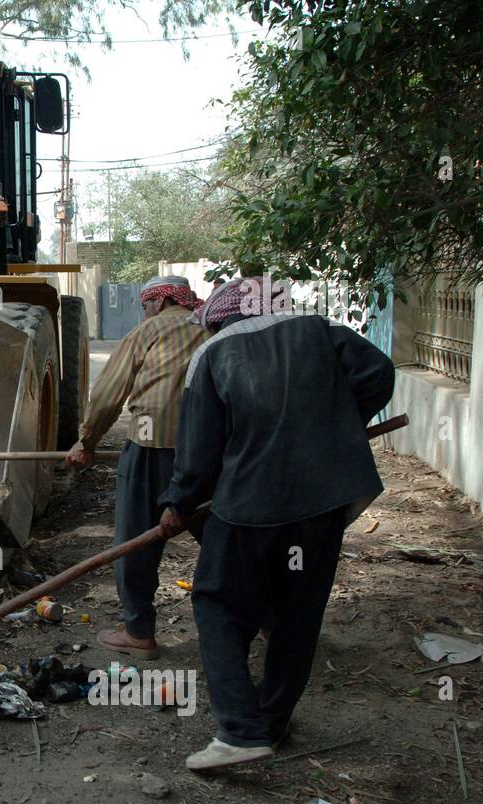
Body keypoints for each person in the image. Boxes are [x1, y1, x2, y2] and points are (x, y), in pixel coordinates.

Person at [157, 277, 395, 771]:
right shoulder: (321, 329)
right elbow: (378, 372)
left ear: (220, 317)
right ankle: (272, 721)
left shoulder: (215, 352)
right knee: (297, 613)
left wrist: (178, 502)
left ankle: (241, 732)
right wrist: (335, 425)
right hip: (324, 502)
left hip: (250, 505)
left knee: (218, 604)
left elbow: (199, 452)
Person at [63, 275, 208, 660]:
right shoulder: (212, 325)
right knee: (224, 541)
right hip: (209, 453)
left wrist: (86, 441)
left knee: (135, 541)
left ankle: (139, 632)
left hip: (152, 447)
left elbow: (110, 393)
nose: (144, 313)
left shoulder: (148, 331)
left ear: (159, 302)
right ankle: (264, 618)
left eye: (145, 305)